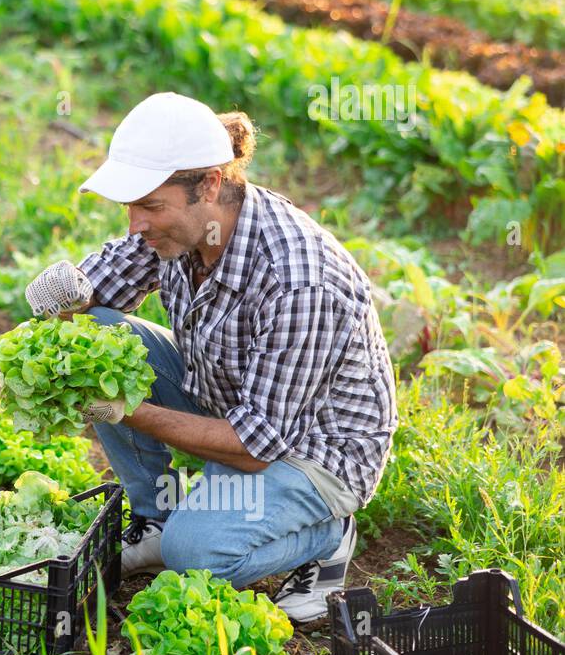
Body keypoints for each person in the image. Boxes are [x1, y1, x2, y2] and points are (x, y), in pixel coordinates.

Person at [24, 92, 397, 623]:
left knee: (195, 554)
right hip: (229, 399)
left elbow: (255, 446)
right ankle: (157, 516)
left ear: (211, 185)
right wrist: (64, 299)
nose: (135, 224)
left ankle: (325, 536)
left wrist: (123, 408)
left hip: (313, 451)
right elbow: (96, 299)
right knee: (100, 336)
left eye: (150, 206)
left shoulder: (299, 279)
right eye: (131, 206)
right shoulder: (179, 229)